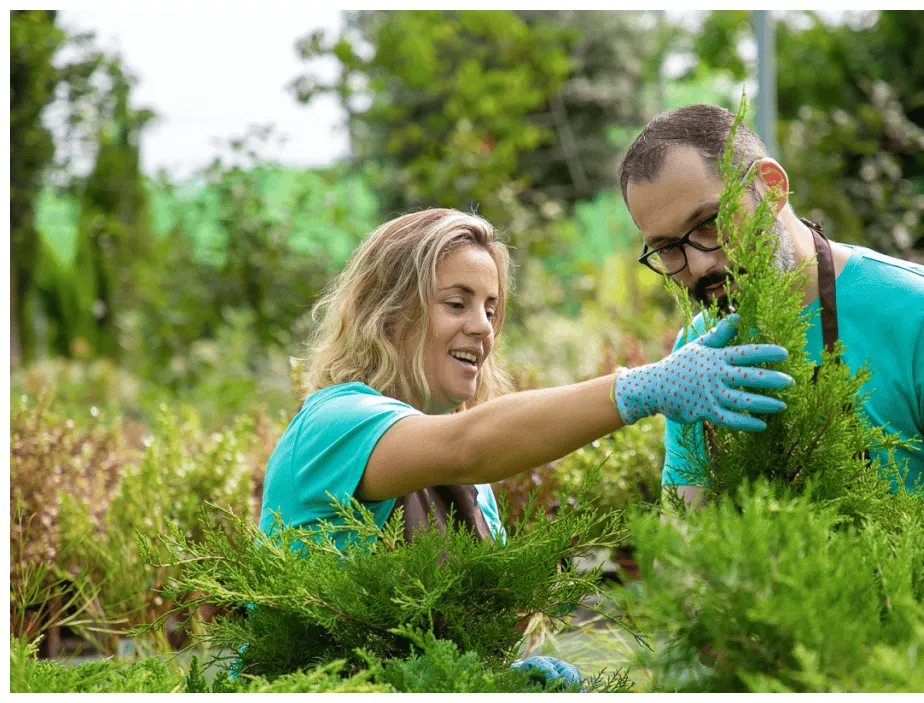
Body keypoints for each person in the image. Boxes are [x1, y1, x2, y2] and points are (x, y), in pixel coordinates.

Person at [255, 208, 795, 686]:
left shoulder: (473, 490)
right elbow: (466, 444)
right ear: (390, 311)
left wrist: (504, 674)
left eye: (491, 309)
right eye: (456, 303)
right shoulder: (332, 425)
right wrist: (640, 388)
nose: (482, 328)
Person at [617, 104, 924, 521]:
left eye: (711, 222)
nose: (701, 265)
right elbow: (686, 535)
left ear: (772, 187)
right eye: (668, 248)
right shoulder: (698, 352)